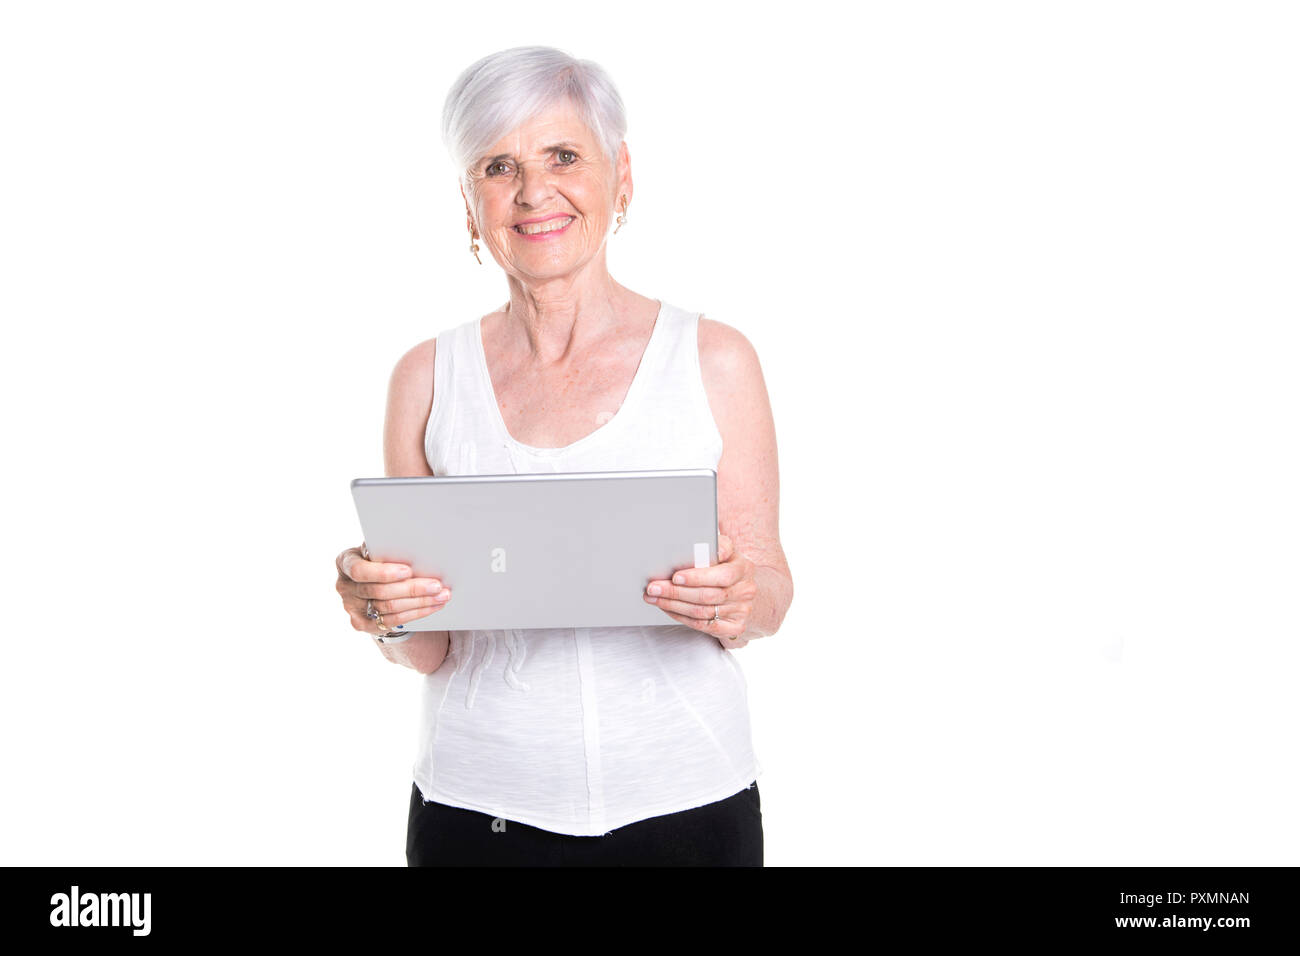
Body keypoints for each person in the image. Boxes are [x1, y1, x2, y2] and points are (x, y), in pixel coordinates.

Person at [333, 46, 793, 866]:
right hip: (478, 810)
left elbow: (771, 595)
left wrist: (738, 597)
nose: (533, 191)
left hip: (689, 803)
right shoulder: (425, 378)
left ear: (620, 175)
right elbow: (427, 648)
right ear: (470, 205)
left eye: (563, 156)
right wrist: (384, 612)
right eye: (499, 165)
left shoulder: (715, 358)